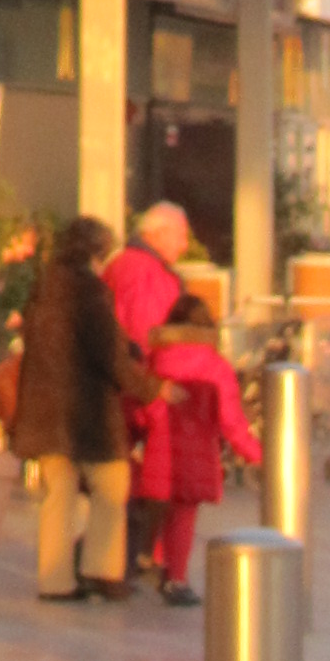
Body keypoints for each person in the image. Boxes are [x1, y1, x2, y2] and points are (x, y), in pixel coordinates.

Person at [10, 217, 160, 601]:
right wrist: (148, 388)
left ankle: (54, 581)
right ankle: (103, 571)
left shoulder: (43, 286)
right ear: (95, 251)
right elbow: (108, 352)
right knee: (112, 484)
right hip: (86, 411)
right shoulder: (89, 291)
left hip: (43, 408)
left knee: (57, 493)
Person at [135, 294, 259, 606]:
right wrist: (258, 455)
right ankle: (176, 578)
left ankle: (154, 560)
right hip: (196, 452)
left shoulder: (155, 359)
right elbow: (231, 422)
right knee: (184, 515)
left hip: (158, 450)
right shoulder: (216, 366)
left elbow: (141, 411)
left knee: (158, 509)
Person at [107, 204, 191, 569]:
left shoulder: (121, 265)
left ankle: (124, 553)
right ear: (157, 234)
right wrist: (156, 387)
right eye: (181, 235)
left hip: (120, 385)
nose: (185, 246)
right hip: (142, 388)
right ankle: (142, 554)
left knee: (127, 475)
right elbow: (148, 333)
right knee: (154, 476)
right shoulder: (147, 273)